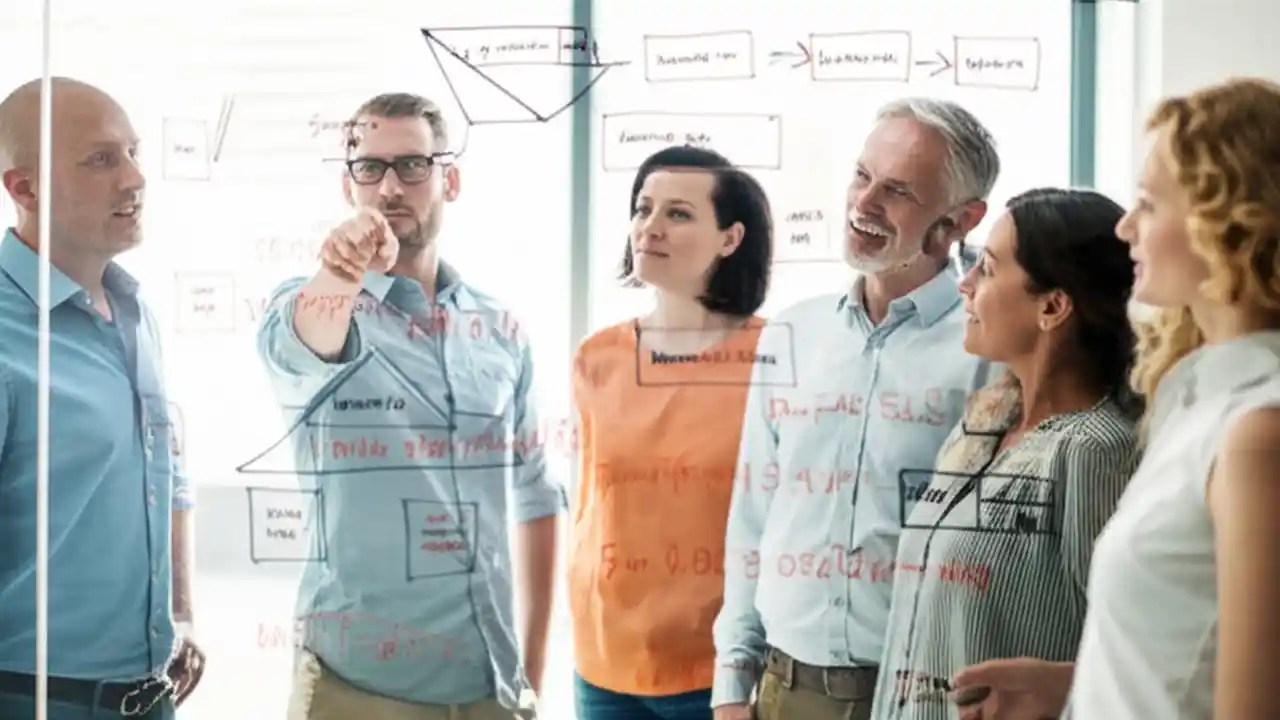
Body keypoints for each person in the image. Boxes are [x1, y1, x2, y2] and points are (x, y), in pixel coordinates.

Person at [950, 77, 1280, 720]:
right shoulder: (1193, 402)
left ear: (1232, 222)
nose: (1126, 227)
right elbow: (1190, 649)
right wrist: (1073, 687)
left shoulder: (1257, 432)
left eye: (1149, 203)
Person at [255, 92, 563, 720]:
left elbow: (536, 497)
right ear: (349, 186)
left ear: (449, 179)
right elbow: (309, 335)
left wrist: (530, 675)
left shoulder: (499, 328)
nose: (389, 187)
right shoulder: (316, 306)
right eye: (369, 168)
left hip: (494, 690)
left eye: (412, 166)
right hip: (356, 694)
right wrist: (343, 267)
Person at [712, 97, 1000, 720]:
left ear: (960, 220)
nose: (863, 204)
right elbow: (753, 521)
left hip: (928, 698)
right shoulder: (792, 334)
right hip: (785, 693)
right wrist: (732, 686)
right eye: (862, 175)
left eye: (896, 191)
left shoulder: (991, 351)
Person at [868, 188, 1141, 720]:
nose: (964, 284)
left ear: (1053, 306)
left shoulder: (1094, 453)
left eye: (987, 270)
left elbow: (1131, 655)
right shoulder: (981, 425)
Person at [0, 77, 203, 719]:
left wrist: (181, 614)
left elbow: (165, 477)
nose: (135, 178)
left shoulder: (134, 312)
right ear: (23, 188)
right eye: (101, 159)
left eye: (134, 152)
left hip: (148, 699)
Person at [569, 146, 773, 720]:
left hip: (720, 675)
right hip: (604, 663)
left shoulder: (776, 356)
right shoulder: (598, 356)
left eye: (678, 214)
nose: (650, 228)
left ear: (730, 238)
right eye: (643, 209)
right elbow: (593, 504)